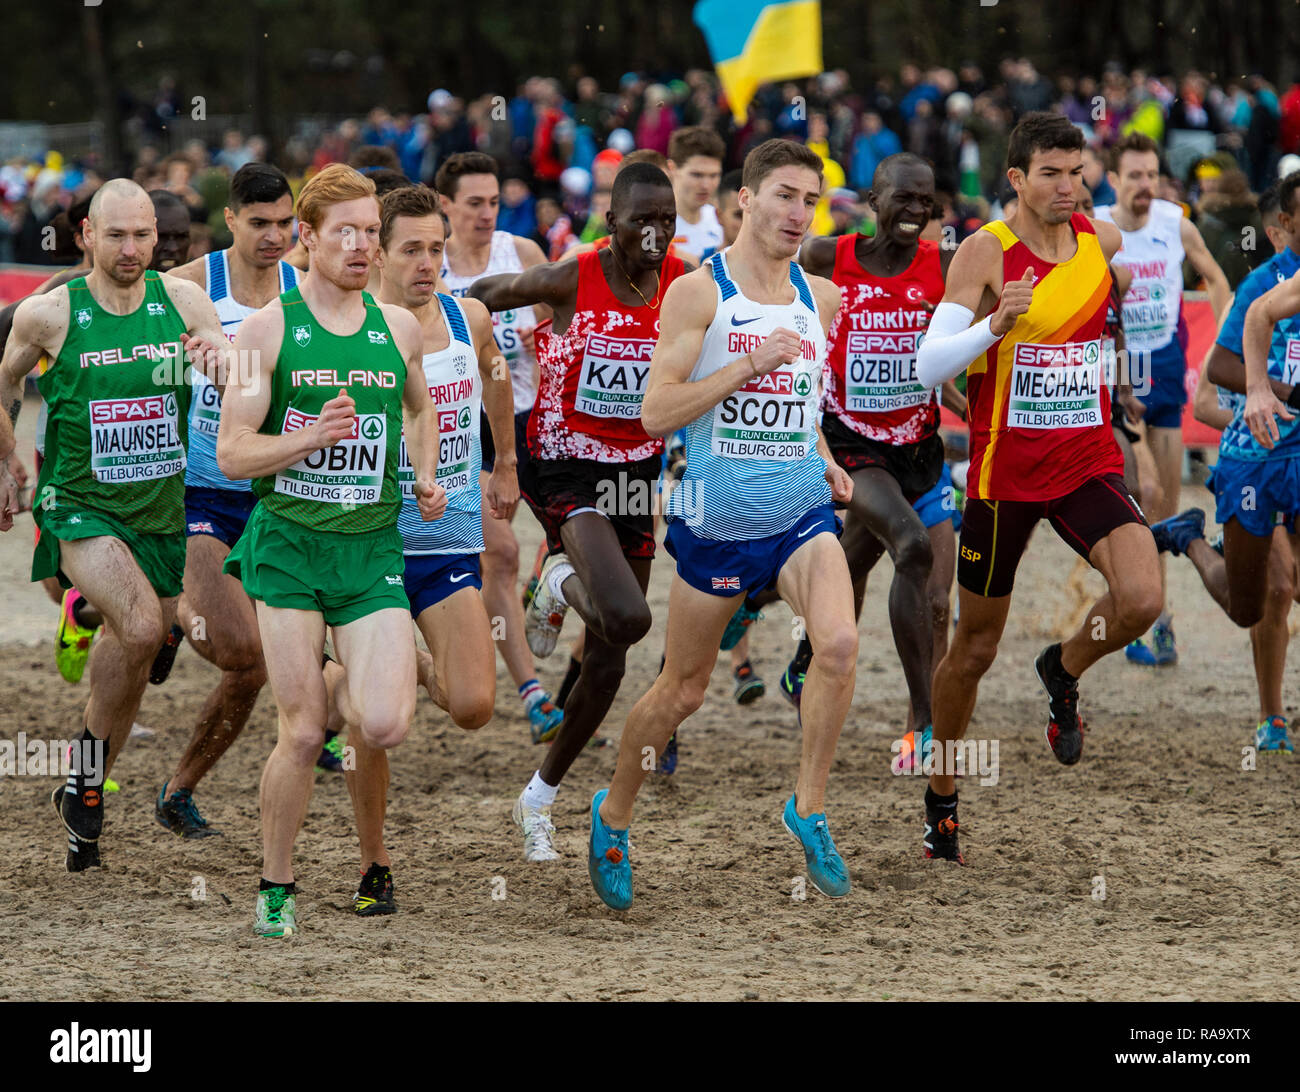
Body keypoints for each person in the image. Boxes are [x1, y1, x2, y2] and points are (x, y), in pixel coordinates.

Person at [588, 139, 858, 909]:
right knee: (683, 690)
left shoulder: (822, 299)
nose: (798, 213)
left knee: (838, 644)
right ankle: (613, 816)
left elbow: (802, 404)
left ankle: (807, 808)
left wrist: (825, 454)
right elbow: (654, 412)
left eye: (810, 199)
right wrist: (744, 366)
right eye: (783, 195)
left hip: (802, 509)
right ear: (745, 199)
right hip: (717, 521)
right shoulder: (698, 295)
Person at [913, 112, 1162, 864]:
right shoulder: (985, 251)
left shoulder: (1102, 240)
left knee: (1143, 599)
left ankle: (1064, 665)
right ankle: (943, 794)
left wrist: (1122, 397)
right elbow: (929, 367)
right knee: (975, 647)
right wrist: (994, 325)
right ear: (1016, 178)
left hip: (1086, 460)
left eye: (1076, 171)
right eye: (1050, 173)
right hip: (1002, 476)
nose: (1068, 186)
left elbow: (1104, 314)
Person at [215, 164, 446, 937]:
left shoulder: (399, 326)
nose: (362, 245)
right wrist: (308, 437)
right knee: (305, 729)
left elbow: (420, 411)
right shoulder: (265, 330)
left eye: (371, 231)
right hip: (288, 548)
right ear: (305, 238)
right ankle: (276, 884)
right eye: (343, 231)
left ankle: (347, 658)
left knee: (382, 725)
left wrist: (424, 475)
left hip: (370, 549)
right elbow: (232, 454)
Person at [0, 179, 228, 871]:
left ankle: (85, 785)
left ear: (158, 238)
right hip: (80, 505)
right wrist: (6, 459)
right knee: (141, 630)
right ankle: (86, 775)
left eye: (143, 235)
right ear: (86, 238)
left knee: (133, 664)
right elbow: (4, 379)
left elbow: (228, 362)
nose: (132, 249)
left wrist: (221, 363)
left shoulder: (184, 302)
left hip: (160, 511)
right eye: (117, 235)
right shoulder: (48, 315)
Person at [472, 162, 686, 861]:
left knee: (610, 660)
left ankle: (539, 796)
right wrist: (426, 319)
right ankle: (558, 582)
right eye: (640, 221)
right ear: (612, 224)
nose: (654, 234)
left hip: (635, 477)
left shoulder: (687, 284)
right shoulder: (573, 275)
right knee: (627, 616)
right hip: (564, 468)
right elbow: (486, 297)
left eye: (666, 219)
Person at [329, 183, 519, 913]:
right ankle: (374, 863)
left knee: (473, 705)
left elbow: (495, 379)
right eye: (411, 248)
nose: (428, 262)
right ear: (376, 250)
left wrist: (504, 463)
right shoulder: (349, 325)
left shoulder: (466, 315)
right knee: (372, 722)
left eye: (437, 248)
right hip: (367, 545)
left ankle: (400, 663)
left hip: (447, 541)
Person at [783, 153, 959, 760]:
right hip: (852, 445)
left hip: (918, 446)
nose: (915, 211)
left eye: (925, 201)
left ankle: (800, 655)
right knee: (911, 549)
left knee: (863, 565)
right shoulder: (828, 257)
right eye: (902, 198)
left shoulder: (948, 265)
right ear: (872, 200)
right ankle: (925, 725)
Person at [149, 163, 300, 837]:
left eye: (285, 224)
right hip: (200, 494)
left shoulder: (307, 289)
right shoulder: (188, 287)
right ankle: (166, 607)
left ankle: (178, 788)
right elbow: (99, 306)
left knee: (256, 672)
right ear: (232, 220)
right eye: (260, 223)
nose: (274, 237)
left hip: (279, 498)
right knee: (246, 654)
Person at [1168, 170, 1300, 756]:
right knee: (1257, 600)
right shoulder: (1265, 285)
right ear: (1282, 228)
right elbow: (1219, 369)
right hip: (1252, 459)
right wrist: (1272, 392)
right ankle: (1191, 539)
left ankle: (1275, 718)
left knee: (1291, 584)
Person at [435, 152, 563, 742]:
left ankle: (549, 583)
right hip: (467, 431)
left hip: (533, 417)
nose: (488, 214)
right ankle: (534, 694)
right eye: (474, 204)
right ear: (446, 205)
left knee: (579, 539)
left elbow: (558, 329)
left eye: (494, 202)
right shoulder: (428, 267)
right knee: (502, 552)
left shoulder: (525, 255)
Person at [1095, 132, 1230, 666]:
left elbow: (1217, 281)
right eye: (1135, 175)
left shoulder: (1176, 223)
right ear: (1113, 180)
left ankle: (1157, 617)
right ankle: (1128, 609)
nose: (1146, 185)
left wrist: (1221, 344)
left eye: (1152, 174)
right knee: (1131, 497)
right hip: (1117, 370)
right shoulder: (1097, 227)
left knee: (1165, 508)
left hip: (1167, 372)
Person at [667, 126, 725, 262]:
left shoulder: (723, 222)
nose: (706, 185)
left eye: (714, 175)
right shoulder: (651, 226)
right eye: (697, 175)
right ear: (672, 168)